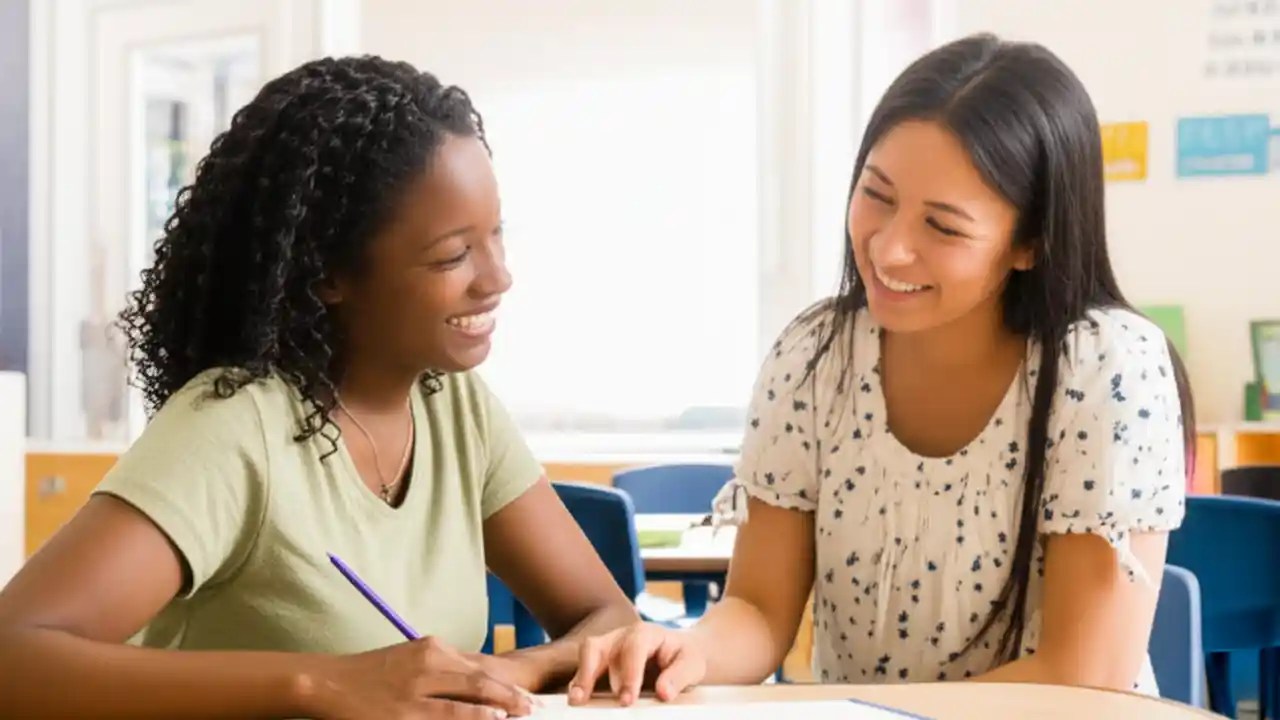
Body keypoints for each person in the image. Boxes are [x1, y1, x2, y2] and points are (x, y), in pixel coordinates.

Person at [0, 56, 638, 719]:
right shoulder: (236, 426)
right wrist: (319, 684)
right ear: (329, 273)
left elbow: (606, 616)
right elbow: (11, 657)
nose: (498, 277)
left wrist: (499, 673)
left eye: (496, 235)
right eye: (453, 255)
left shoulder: (454, 407)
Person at [569, 33, 1195, 705]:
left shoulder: (1105, 366)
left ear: (1030, 243)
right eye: (877, 194)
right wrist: (689, 648)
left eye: (944, 227)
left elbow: (1081, 676)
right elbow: (757, 609)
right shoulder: (816, 356)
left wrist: (874, 715)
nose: (890, 249)